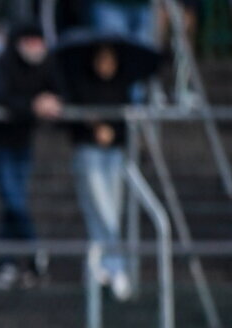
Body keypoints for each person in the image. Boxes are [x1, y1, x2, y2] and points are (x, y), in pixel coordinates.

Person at [0, 24, 63, 290]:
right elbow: (0, 97)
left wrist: (52, 100)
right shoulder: (2, 63)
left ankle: (6, 264)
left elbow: (59, 89)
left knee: (13, 205)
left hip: (22, 144)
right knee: (14, 202)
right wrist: (32, 106)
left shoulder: (47, 63)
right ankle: (36, 252)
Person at [62, 44, 134, 301]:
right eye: (101, 59)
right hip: (88, 153)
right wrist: (94, 125)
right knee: (101, 210)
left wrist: (112, 131)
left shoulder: (122, 88)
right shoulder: (80, 85)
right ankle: (116, 266)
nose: (106, 65)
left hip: (113, 154)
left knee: (111, 209)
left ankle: (98, 264)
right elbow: (71, 116)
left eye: (110, 59)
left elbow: (126, 124)